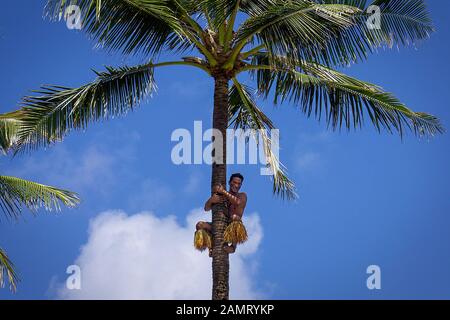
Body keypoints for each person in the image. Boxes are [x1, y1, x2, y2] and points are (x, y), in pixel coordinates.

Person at [196, 173, 247, 256]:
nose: (236, 185)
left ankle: (233, 247)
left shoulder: (242, 195)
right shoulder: (222, 195)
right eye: (234, 182)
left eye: (239, 183)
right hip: (219, 226)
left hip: (232, 227)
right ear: (229, 183)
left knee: (235, 218)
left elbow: (237, 202)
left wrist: (223, 191)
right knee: (199, 225)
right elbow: (206, 208)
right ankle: (211, 247)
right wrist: (211, 200)